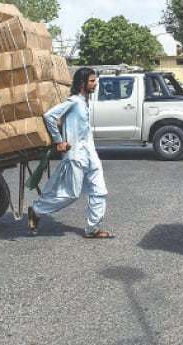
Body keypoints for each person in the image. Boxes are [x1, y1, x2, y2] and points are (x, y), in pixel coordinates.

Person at [27, 68, 114, 239]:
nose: (95, 84)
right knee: (72, 194)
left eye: (95, 80)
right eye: (91, 81)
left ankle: (92, 229)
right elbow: (49, 116)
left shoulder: (85, 102)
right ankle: (36, 210)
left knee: (99, 191)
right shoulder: (74, 101)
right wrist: (59, 140)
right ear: (82, 84)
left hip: (90, 155)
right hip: (76, 156)